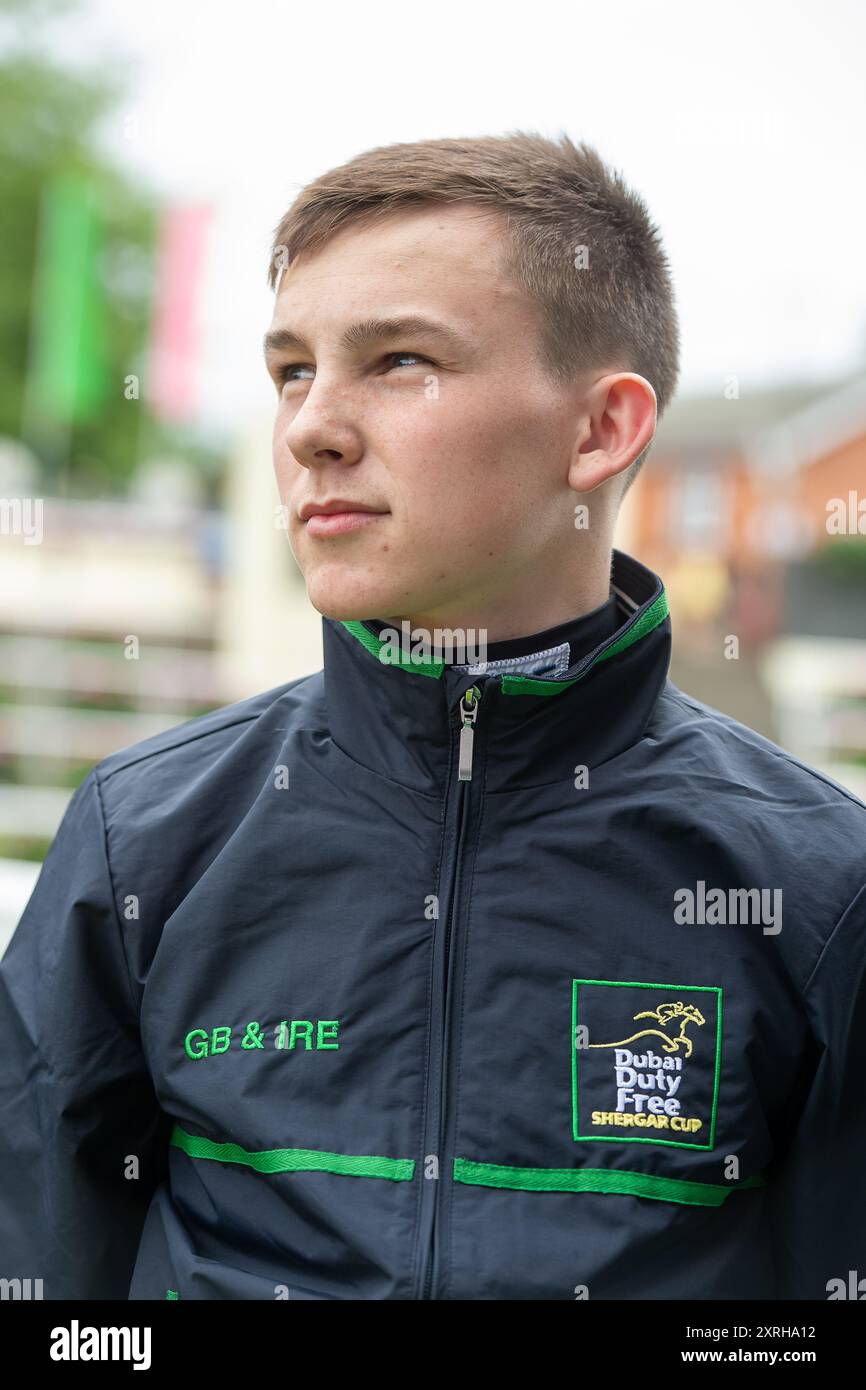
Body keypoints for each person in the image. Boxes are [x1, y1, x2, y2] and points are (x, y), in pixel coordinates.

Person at [1, 132, 864, 1301]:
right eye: (291, 369)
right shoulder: (145, 837)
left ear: (600, 430)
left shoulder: (811, 885)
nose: (311, 428)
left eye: (399, 360)